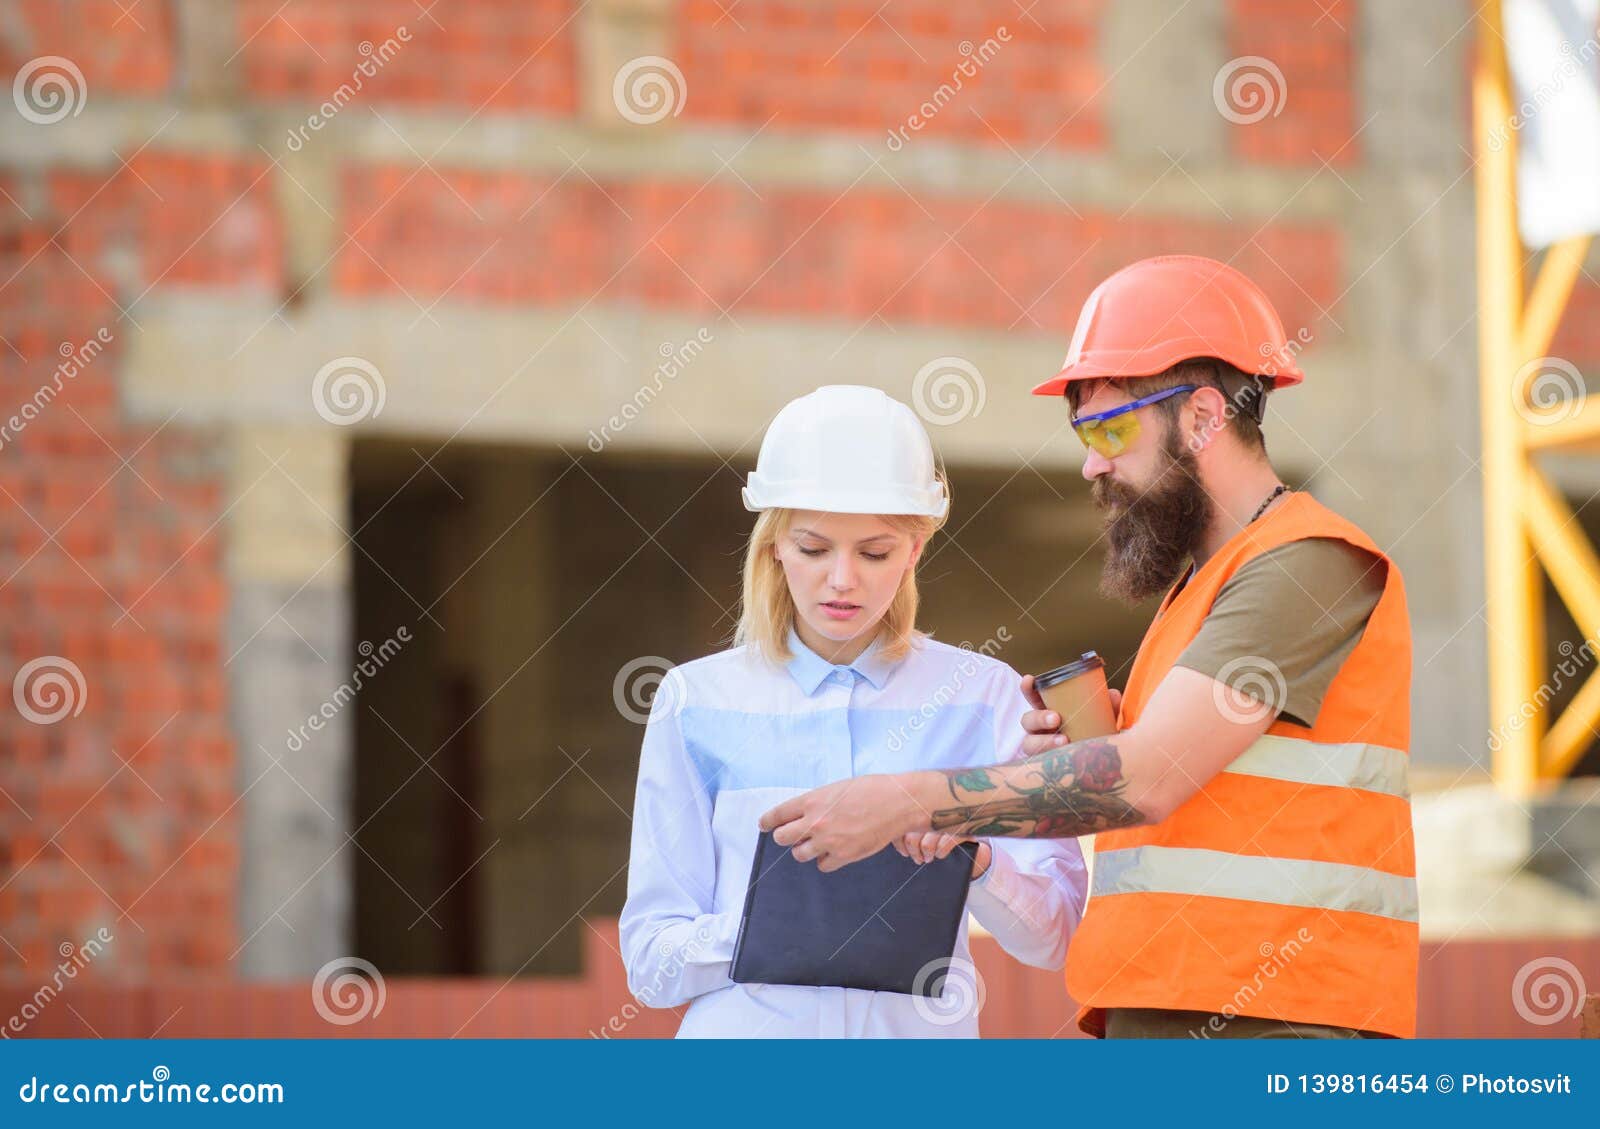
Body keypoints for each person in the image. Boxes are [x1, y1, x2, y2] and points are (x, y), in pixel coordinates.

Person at [761, 256, 1418, 1040]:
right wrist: (1093, 743)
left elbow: (1144, 781)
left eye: (1111, 428)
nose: (1090, 462)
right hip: (1178, 1012)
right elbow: (1170, 784)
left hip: (1283, 1019)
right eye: (1082, 433)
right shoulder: (1205, 586)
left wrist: (905, 800)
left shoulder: (1308, 564)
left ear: (1205, 417)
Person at [619, 384, 1087, 1037]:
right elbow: (650, 963)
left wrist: (976, 859)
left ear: (916, 548)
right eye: (814, 548)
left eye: (875, 552)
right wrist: (780, 925)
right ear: (776, 545)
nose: (843, 579)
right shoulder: (696, 701)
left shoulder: (986, 697)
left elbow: (1056, 933)